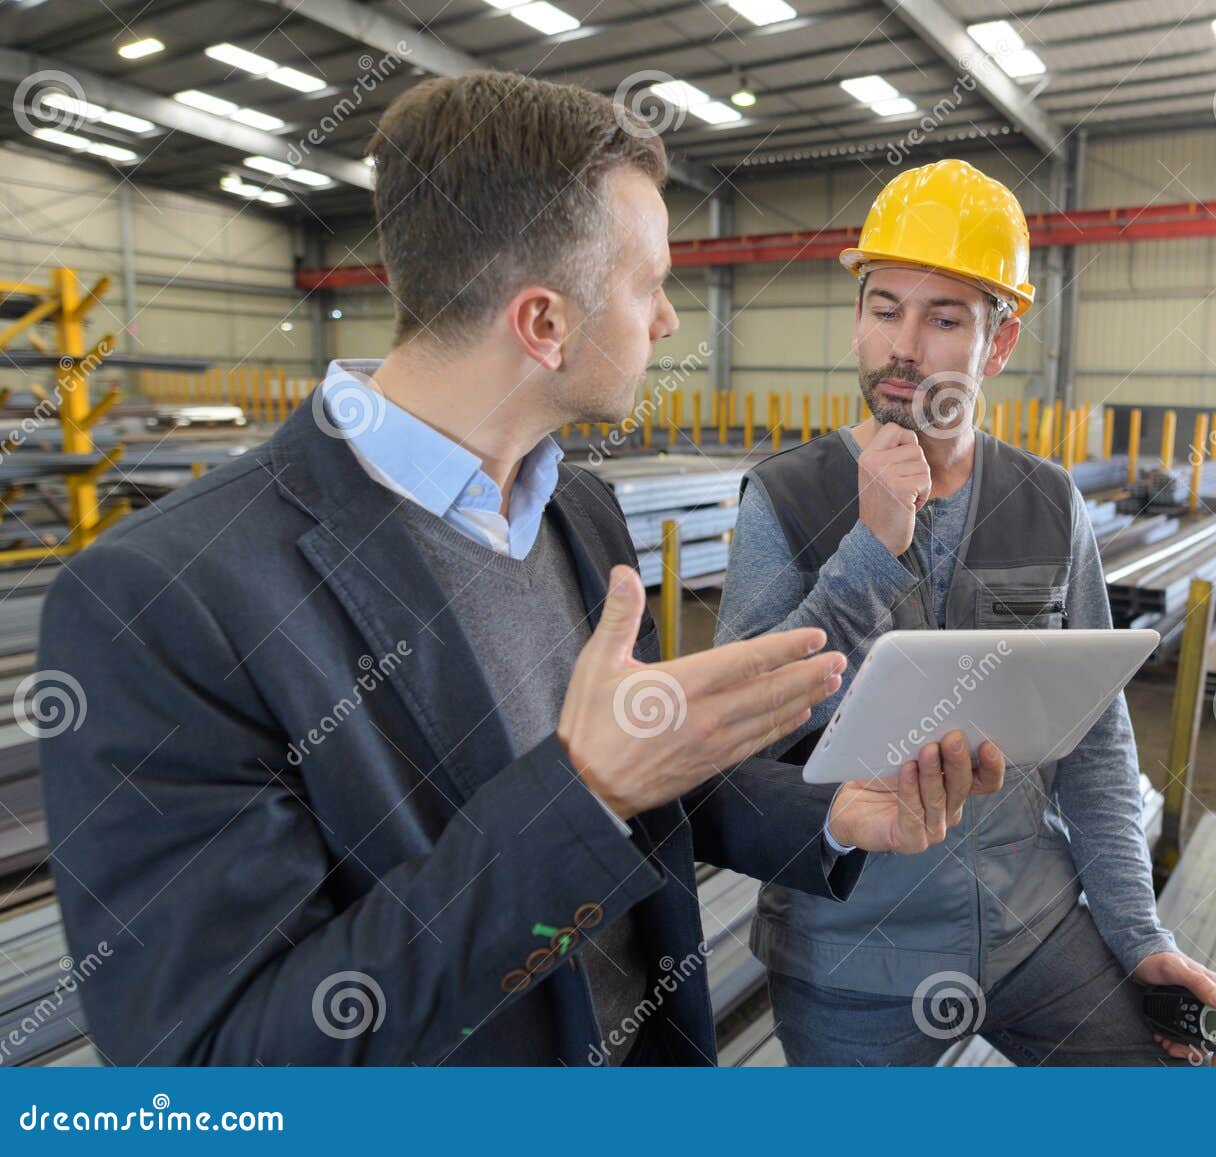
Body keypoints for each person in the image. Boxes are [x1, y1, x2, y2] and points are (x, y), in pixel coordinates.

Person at [34, 73, 1004, 1067]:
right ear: (542, 324)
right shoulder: (162, 601)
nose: (669, 321)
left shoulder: (575, 510)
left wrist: (832, 815)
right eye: (649, 285)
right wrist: (575, 794)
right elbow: (219, 1066)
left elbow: (648, 781)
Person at [716, 159, 1216, 1066]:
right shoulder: (786, 497)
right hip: (851, 955)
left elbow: (1096, 741)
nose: (903, 345)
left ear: (998, 343)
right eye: (884, 308)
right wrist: (869, 550)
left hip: (1031, 922)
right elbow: (740, 743)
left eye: (944, 317)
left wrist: (1138, 935)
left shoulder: (1047, 500)